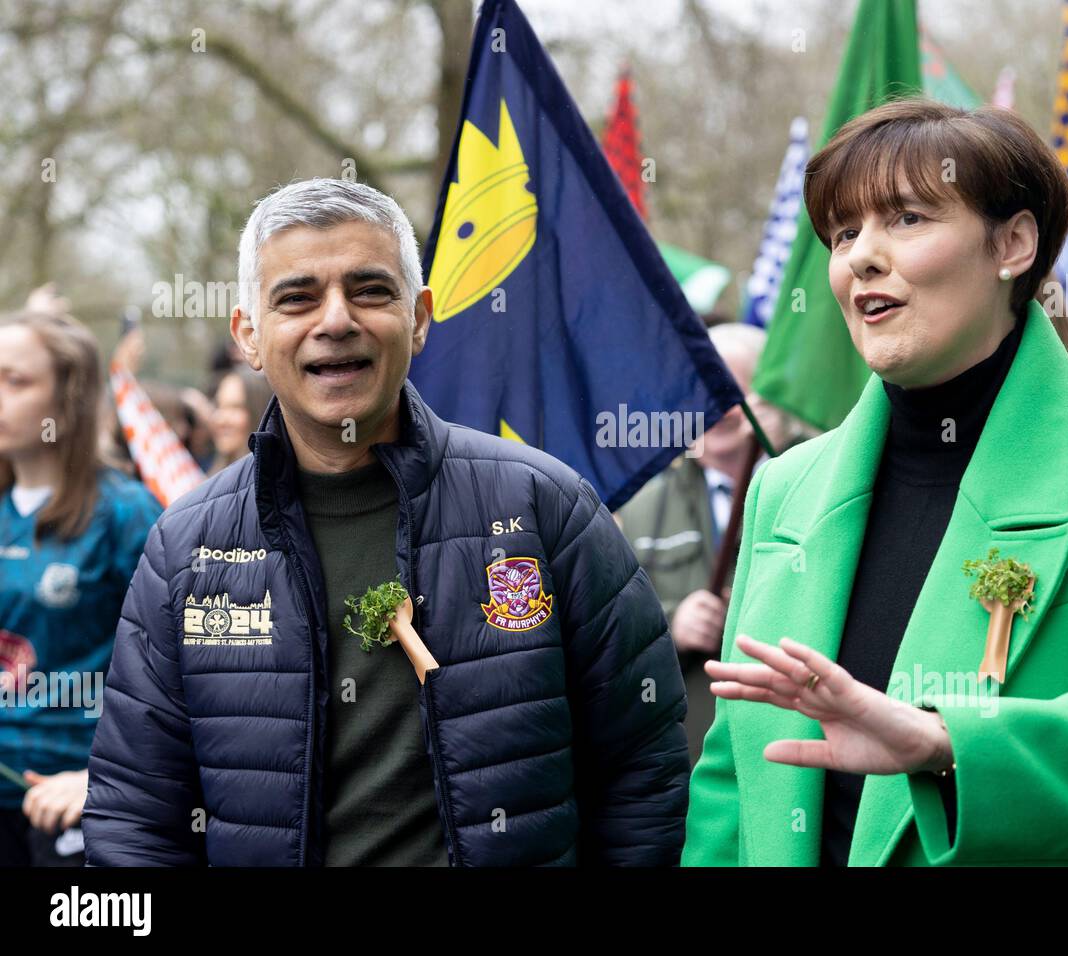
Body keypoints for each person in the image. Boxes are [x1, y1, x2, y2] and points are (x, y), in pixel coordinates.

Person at [682, 99, 1068, 867]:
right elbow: (732, 788)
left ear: (1014, 243)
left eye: (905, 218)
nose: (862, 255)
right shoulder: (784, 488)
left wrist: (948, 744)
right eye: (843, 232)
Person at [81, 178, 690, 866]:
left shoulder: (546, 508)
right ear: (248, 334)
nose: (336, 319)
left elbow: (645, 767)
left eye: (370, 290)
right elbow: (135, 816)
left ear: (421, 316)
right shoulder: (183, 547)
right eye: (297, 297)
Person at [0, 306, 160, 866]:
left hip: (71, 805)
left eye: (14, 380)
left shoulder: (126, 513)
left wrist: (101, 779)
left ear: (67, 398)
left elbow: (177, 668)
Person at [617, 322, 792, 762]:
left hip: (786, 736)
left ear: (764, 396)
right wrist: (672, 625)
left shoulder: (812, 483)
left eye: (728, 387)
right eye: (699, 388)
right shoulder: (643, 502)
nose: (713, 406)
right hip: (686, 749)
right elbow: (612, 630)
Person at [208, 363, 274, 472]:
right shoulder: (213, 480)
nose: (220, 419)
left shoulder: (273, 484)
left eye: (235, 407)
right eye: (219, 406)